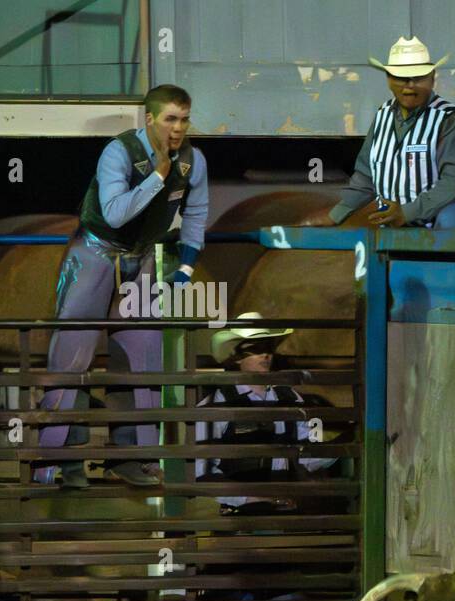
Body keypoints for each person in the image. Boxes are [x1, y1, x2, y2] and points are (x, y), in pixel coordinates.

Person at [38, 83, 209, 489]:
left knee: (144, 356)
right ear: (149, 119)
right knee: (71, 356)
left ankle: (132, 458)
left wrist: (185, 268)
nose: (178, 128)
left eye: (184, 119)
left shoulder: (193, 160)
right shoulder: (119, 152)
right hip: (94, 252)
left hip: (141, 256)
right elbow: (114, 214)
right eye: (170, 118)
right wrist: (158, 177)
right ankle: (60, 463)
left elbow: (197, 213)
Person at [318, 36, 455, 230]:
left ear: (432, 78)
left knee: (453, 217)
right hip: (392, 221)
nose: (409, 85)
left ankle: (448, 259)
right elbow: (365, 176)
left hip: (437, 224)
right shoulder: (382, 115)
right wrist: (336, 215)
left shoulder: (449, 118)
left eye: (418, 78)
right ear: (389, 80)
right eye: (402, 78)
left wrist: (407, 212)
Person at [195, 320, 339, 512]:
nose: (265, 354)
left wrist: (340, 447)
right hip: (238, 516)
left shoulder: (290, 397)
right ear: (237, 357)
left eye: (268, 347)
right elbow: (202, 472)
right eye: (255, 348)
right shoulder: (215, 404)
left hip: (286, 509)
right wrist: (248, 500)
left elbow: (308, 454)